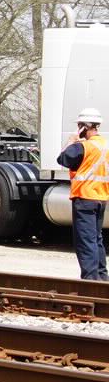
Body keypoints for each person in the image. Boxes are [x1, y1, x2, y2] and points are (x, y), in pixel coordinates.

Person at [57, 107, 108, 281]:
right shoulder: (106, 145)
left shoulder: (82, 147)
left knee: (86, 241)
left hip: (84, 197)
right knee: (96, 238)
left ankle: (90, 281)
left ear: (84, 127)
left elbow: (62, 159)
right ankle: (101, 277)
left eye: (79, 126)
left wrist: (72, 140)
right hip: (101, 198)